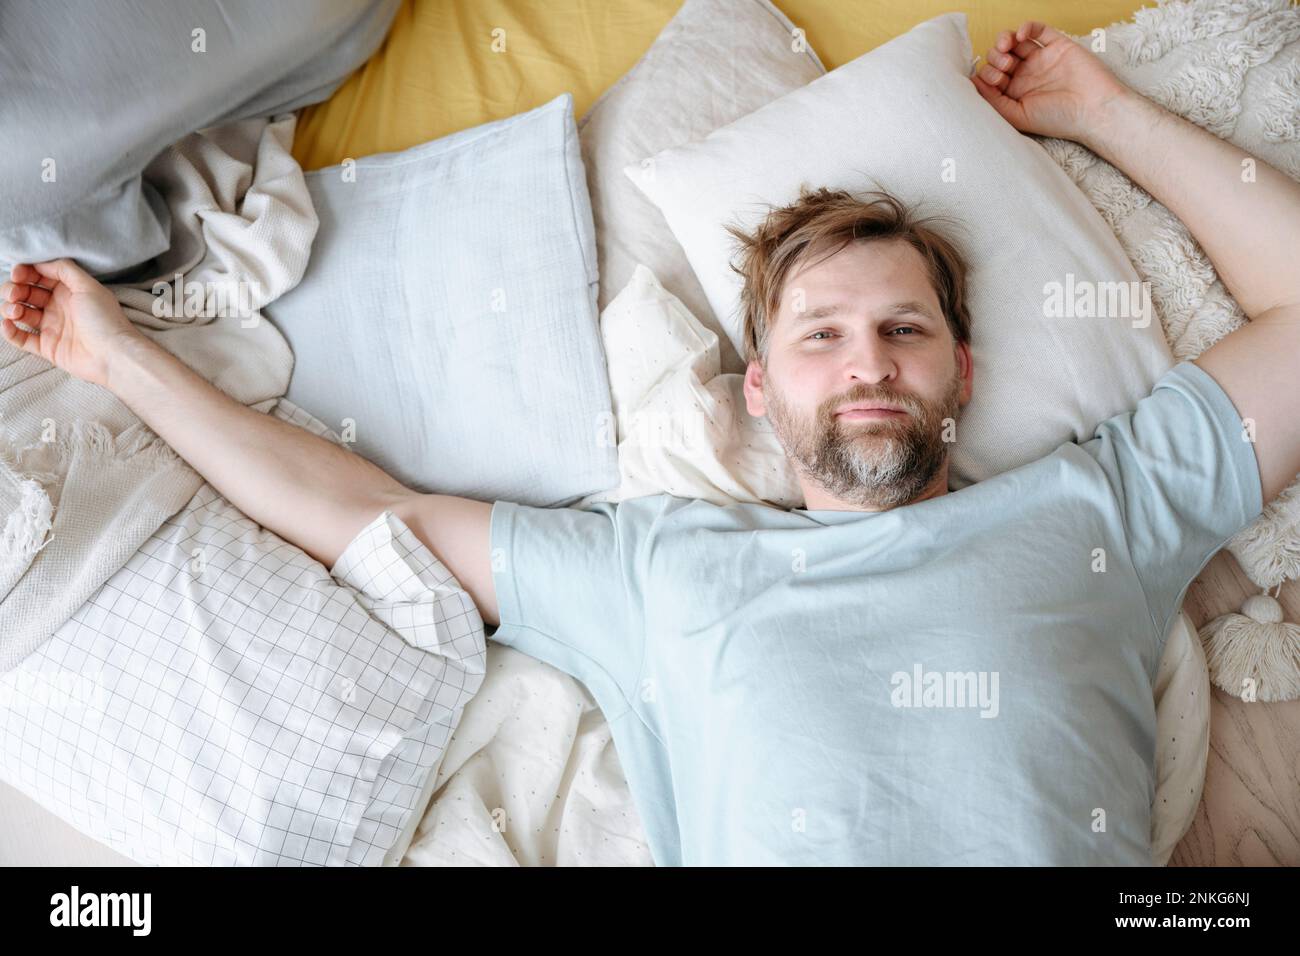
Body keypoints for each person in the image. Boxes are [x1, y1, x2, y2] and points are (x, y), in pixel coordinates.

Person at [3, 21, 1298, 866]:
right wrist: (123, 359)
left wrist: (1101, 111)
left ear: (962, 373)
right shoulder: (664, 573)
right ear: (755, 393)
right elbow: (361, 513)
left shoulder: (1097, 514)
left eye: (905, 329)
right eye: (821, 337)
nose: (866, 363)